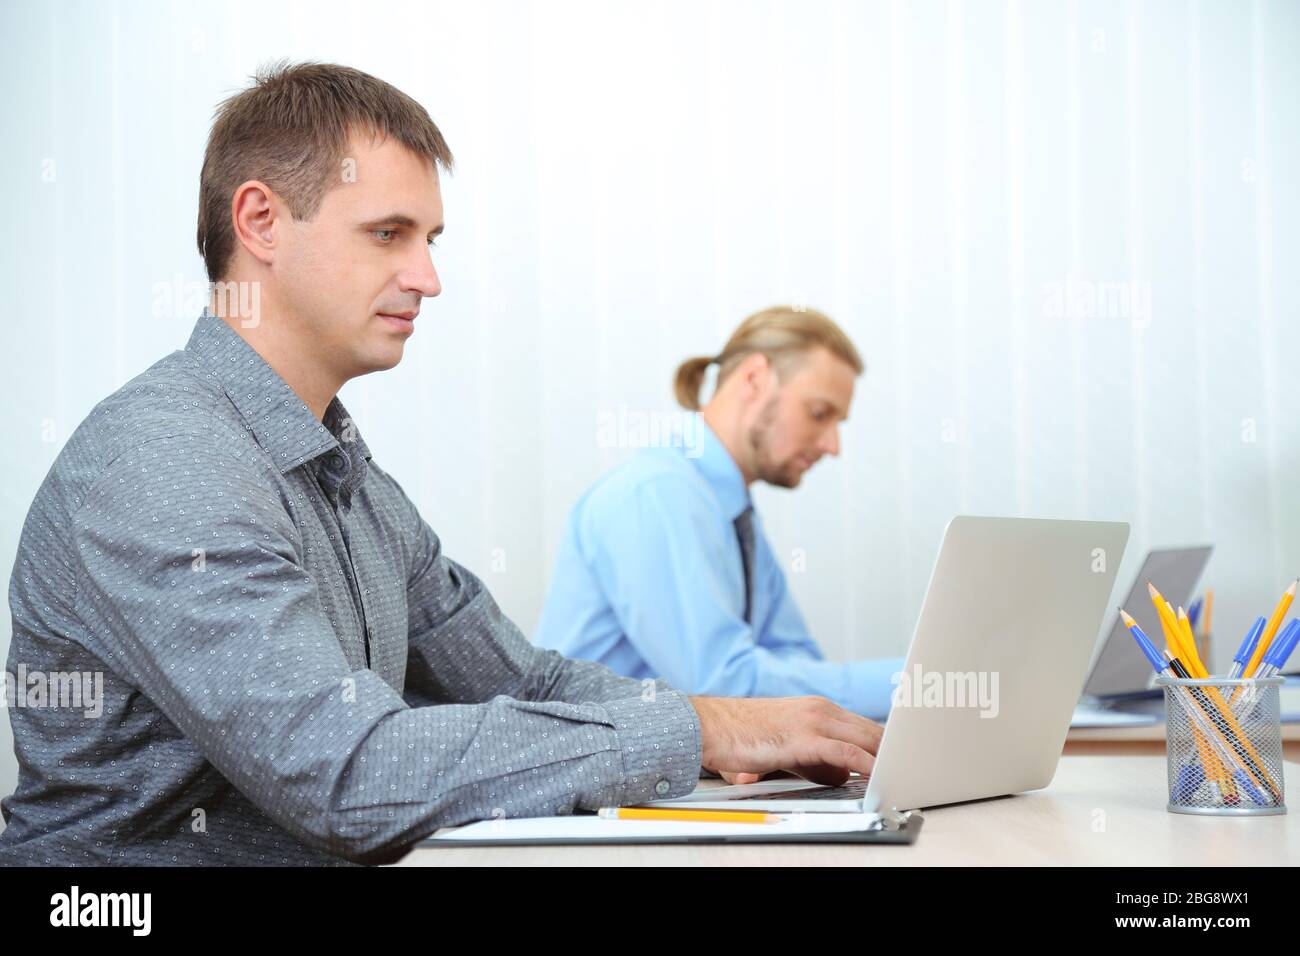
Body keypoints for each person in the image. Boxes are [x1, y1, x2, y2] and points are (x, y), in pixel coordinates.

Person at [0, 63, 882, 866]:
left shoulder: (346, 475)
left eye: (430, 238)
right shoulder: (164, 462)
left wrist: (732, 728)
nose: (427, 276)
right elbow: (344, 772)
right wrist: (695, 729)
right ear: (261, 221)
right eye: (388, 233)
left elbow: (522, 678)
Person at [537, 307, 904, 719]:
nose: (833, 445)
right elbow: (723, 688)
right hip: (602, 778)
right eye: (819, 414)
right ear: (754, 379)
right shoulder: (656, 495)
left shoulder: (731, 510)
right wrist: (913, 686)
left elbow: (793, 656)